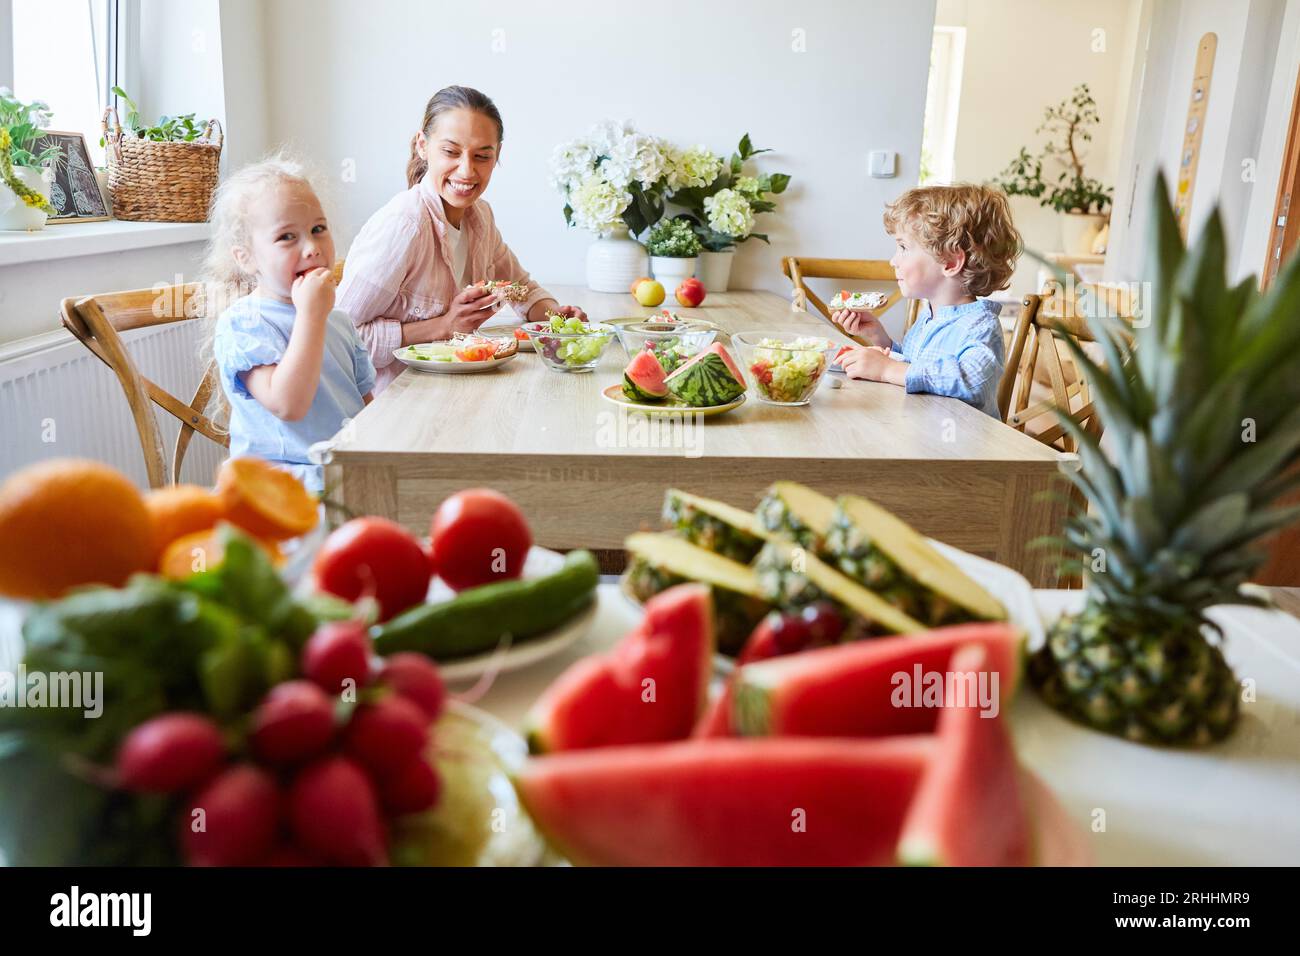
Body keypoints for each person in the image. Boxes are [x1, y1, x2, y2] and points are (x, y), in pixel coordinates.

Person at [339, 85, 587, 394]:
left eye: (482, 156)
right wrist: (444, 326)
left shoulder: (479, 217)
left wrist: (556, 316)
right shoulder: (405, 225)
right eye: (451, 152)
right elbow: (338, 340)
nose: (467, 171)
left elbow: (520, 288)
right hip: (394, 402)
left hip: (453, 392)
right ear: (422, 146)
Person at [203, 153, 375, 493]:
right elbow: (288, 404)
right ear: (246, 257)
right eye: (287, 237)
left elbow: (366, 408)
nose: (312, 247)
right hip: (280, 489)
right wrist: (311, 317)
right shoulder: (245, 322)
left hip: (348, 475)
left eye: (318, 229)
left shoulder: (337, 320)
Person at [835, 184, 1020, 418]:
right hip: (921, 434)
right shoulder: (929, 317)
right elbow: (916, 366)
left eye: (903, 247)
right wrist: (879, 338)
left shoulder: (979, 326)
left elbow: (973, 382)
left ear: (951, 262)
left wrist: (888, 370)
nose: (893, 261)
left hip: (961, 449)